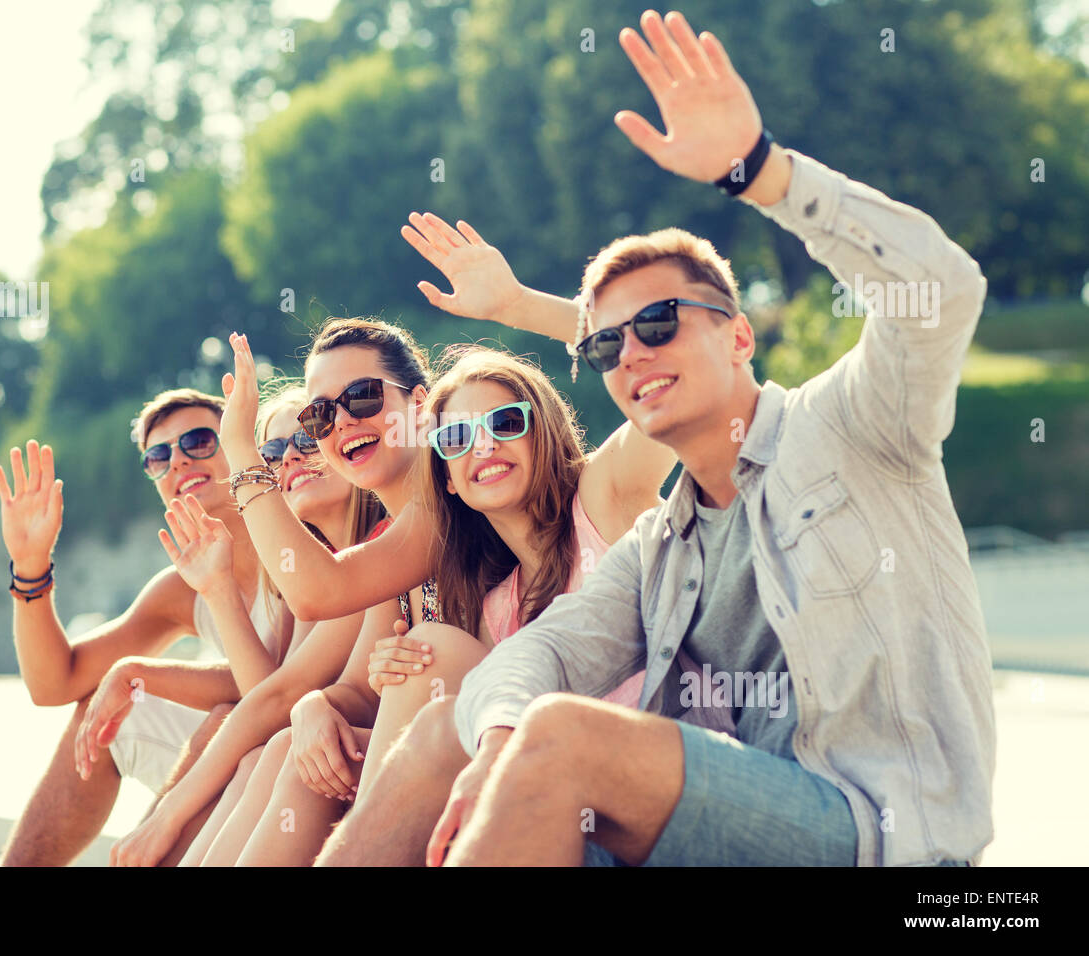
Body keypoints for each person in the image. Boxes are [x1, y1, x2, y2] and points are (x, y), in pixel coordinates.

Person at [329, 9, 995, 868]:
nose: (631, 353)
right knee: (446, 739)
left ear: (740, 335)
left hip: (874, 834)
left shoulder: (855, 426)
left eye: (658, 323)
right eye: (606, 343)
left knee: (565, 736)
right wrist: (494, 738)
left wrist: (764, 174)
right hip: (712, 830)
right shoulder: (660, 548)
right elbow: (544, 651)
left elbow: (941, 289)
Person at [234, 344, 678, 866]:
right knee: (311, 752)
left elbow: (672, 396)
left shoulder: (604, 500)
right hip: (556, 809)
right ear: (446, 473)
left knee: (431, 658)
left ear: (546, 429)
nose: (483, 446)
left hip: (656, 791)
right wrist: (340, 697)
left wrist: (518, 306)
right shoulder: (495, 606)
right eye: (456, 438)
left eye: (507, 422)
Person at [109, 319, 435, 865]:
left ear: (420, 403)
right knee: (276, 747)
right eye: (321, 416)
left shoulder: (415, 524)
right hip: (374, 753)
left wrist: (241, 453)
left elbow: (276, 696)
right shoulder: (362, 551)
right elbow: (280, 696)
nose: (287, 458)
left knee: (276, 747)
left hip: (450, 748)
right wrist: (217, 590)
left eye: (363, 396)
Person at [0, 388, 291, 866]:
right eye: (157, 456)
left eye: (198, 441)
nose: (177, 462)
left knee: (219, 721)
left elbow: (284, 681)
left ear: (240, 441)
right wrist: (31, 565)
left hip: (308, 748)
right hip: (246, 747)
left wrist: (141, 672)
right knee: (105, 711)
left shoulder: (297, 536)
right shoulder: (181, 587)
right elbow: (54, 683)